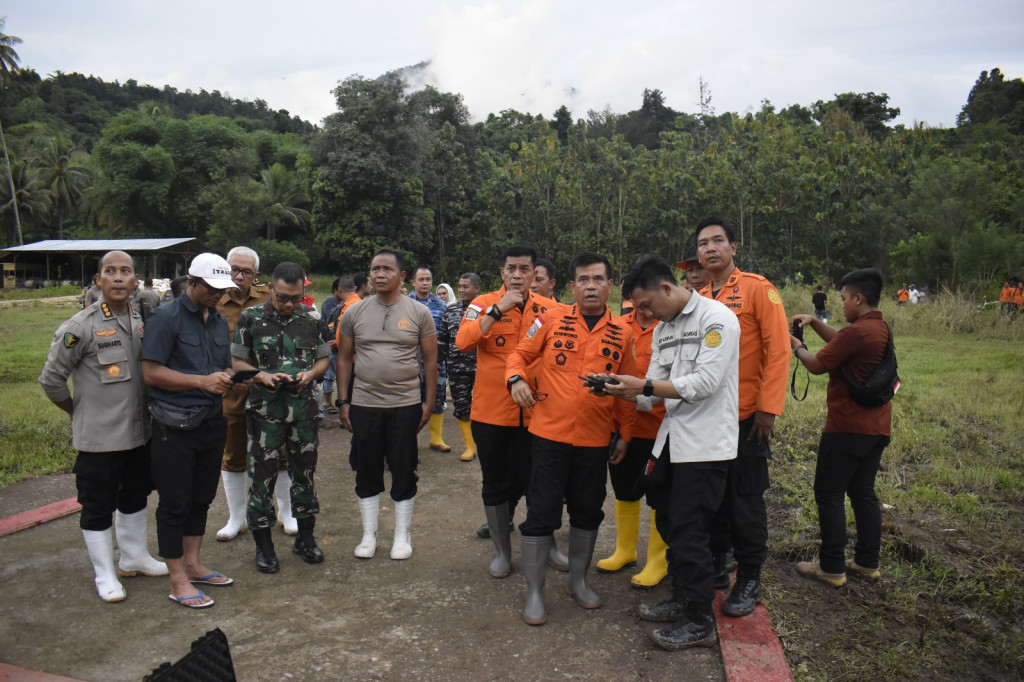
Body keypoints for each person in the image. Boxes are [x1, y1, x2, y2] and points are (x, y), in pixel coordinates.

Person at [603, 254, 740, 649]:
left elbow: (704, 383)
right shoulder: (665, 328)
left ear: (666, 287)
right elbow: (655, 388)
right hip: (670, 441)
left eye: (646, 305)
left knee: (689, 530)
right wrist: (618, 388)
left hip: (706, 446)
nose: (644, 314)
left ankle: (700, 620)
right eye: (637, 309)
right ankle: (683, 598)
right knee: (666, 520)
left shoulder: (716, 319)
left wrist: (643, 388)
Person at [507, 251, 639, 626]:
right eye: (583, 280)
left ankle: (578, 582)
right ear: (572, 286)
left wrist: (625, 435)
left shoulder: (623, 332)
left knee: (587, 509)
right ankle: (535, 593)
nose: (591, 286)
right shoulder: (548, 318)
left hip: (595, 441)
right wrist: (515, 378)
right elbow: (519, 354)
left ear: (610, 286)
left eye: (598, 279)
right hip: (548, 436)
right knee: (542, 512)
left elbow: (627, 390)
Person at [39, 250, 167, 603]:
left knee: (135, 494)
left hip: (139, 434)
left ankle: (134, 557)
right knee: (97, 505)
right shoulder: (80, 326)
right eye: (109, 271)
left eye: (125, 271)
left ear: (135, 281)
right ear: (98, 280)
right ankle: (105, 573)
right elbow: (51, 380)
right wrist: (74, 411)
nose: (117, 277)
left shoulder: (142, 320)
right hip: (99, 438)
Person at [696, 216, 789, 617]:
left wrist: (768, 408)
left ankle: (750, 577)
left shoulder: (756, 290)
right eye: (703, 243)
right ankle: (720, 561)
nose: (710, 248)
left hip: (747, 417)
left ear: (734, 248)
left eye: (718, 241)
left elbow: (779, 350)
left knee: (745, 499)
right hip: (706, 417)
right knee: (712, 498)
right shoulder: (697, 297)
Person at [455, 245, 566, 576]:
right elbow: (463, 342)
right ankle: (501, 551)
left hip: (538, 414)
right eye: (511, 268)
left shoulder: (551, 308)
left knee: (540, 483)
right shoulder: (482, 304)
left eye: (524, 269)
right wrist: (497, 311)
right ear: (502, 273)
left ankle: (547, 545)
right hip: (491, 414)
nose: (517, 274)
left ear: (535, 275)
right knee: (495, 482)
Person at [141, 253, 240, 609]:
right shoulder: (165, 318)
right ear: (192, 283)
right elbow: (151, 372)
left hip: (211, 421)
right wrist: (201, 381)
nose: (218, 295)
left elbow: (221, 364)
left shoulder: (217, 320)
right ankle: (177, 577)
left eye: (222, 289)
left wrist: (232, 379)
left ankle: (194, 563)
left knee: (201, 497)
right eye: (211, 288)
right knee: (174, 502)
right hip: (174, 424)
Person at [791, 269, 893, 587]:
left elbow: (817, 364)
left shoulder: (857, 332)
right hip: (876, 427)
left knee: (828, 494)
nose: (843, 304)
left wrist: (794, 345)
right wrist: (815, 320)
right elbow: (841, 340)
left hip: (846, 427)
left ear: (858, 298)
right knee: (863, 492)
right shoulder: (878, 328)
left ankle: (832, 566)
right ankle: (866, 561)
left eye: (844, 298)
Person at [337, 249, 437, 560]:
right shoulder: (354, 312)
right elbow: (343, 359)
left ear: (402, 276)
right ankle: (369, 536)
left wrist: (429, 402)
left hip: (405, 404)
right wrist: (343, 401)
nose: (379, 274)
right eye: (374, 269)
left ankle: (401, 536)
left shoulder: (419, 312)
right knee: (366, 468)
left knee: (404, 468)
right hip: (364, 405)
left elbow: (431, 361)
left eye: (386, 269)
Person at [231, 262, 331, 573]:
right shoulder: (251, 318)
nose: (289, 304)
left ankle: (305, 539)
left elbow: (323, 358)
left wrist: (310, 374)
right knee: (262, 477)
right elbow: (237, 361)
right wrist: (260, 375)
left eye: (295, 298)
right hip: (266, 413)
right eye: (283, 297)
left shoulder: (312, 319)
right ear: (270, 289)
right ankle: (264, 548)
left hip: (303, 412)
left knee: (305, 475)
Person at [595, 280, 669, 590]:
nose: (642, 306)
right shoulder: (618, 327)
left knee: (659, 493)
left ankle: (658, 560)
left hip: (659, 426)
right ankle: (625, 549)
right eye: (635, 299)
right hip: (621, 425)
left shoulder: (670, 328)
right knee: (623, 487)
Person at [214, 246, 284, 541]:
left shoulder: (271, 301)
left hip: (268, 390)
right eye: (234, 269)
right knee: (233, 453)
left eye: (246, 271)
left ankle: (287, 512)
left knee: (278, 451)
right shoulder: (214, 302)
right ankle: (237, 517)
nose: (239, 276)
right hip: (231, 390)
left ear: (256, 275)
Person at [437, 273, 482, 461]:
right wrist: (438, 362)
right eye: (460, 286)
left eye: (466, 287)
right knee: (462, 406)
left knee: (485, 408)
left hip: (482, 368)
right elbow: (443, 339)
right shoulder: (451, 310)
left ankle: (485, 444)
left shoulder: (487, 309)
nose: (462, 290)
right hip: (457, 368)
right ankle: (470, 446)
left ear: (477, 288)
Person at [410, 266, 450, 452]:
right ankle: (409, 443)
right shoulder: (404, 303)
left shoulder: (441, 305)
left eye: (428, 279)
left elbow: (445, 335)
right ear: (413, 282)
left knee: (437, 398)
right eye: (421, 279)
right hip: (410, 362)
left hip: (436, 361)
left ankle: (436, 439)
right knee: (411, 403)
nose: (425, 283)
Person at [319, 279, 347, 416]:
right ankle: (328, 403)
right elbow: (333, 322)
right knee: (329, 376)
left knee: (340, 376)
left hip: (340, 347)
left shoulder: (342, 303)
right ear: (337, 290)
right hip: (331, 345)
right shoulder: (328, 304)